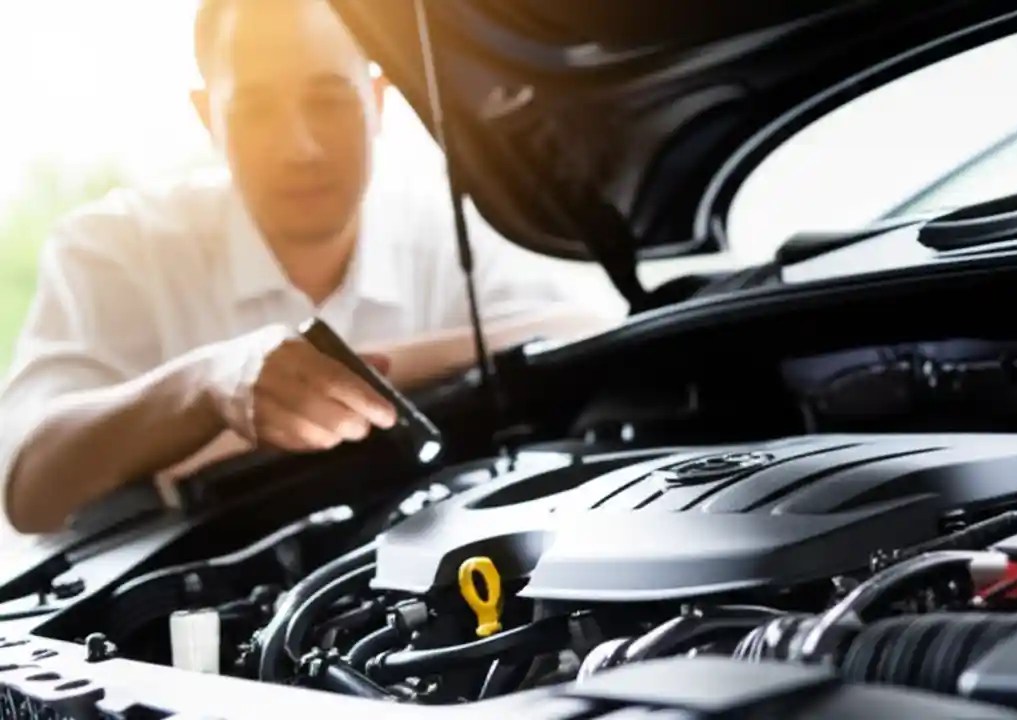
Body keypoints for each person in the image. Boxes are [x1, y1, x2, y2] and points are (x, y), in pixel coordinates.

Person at [0, 0, 618, 535]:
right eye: (256, 110)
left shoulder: (457, 225)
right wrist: (213, 382)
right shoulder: (113, 250)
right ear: (206, 115)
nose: (300, 146)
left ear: (377, 102)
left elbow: (593, 333)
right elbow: (28, 486)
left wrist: (352, 370)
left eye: (328, 101)